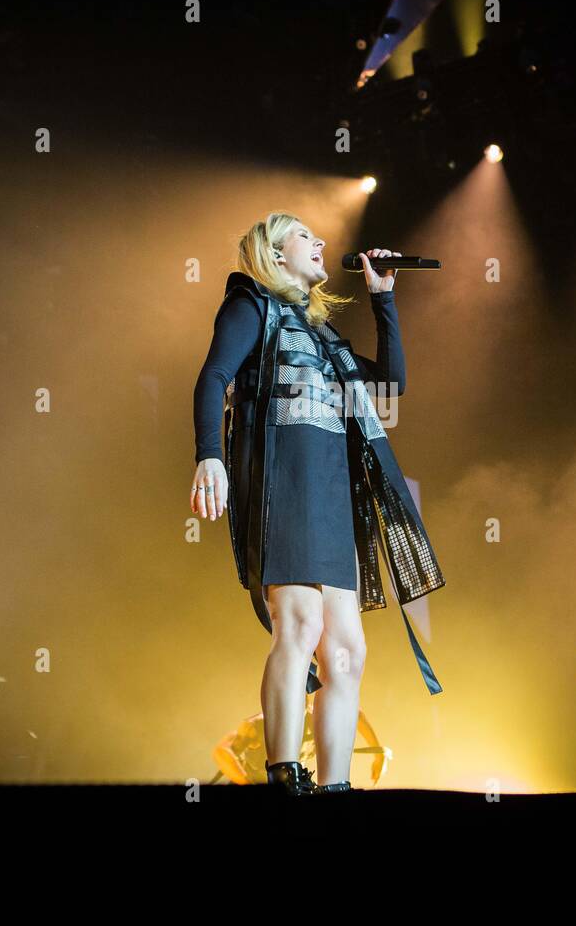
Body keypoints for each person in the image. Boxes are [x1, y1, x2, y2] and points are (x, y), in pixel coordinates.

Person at [191, 211, 446, 796]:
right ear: (277, 254)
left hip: (333, 492)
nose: (322, 242)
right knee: (300, 626)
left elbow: (390, 387)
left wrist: (385, 301)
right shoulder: (250, 305)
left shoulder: (327, 339)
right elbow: (212, 378)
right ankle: (284, 771)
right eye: (307, 236)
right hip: (287, 482)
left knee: (348, 650)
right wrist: (210, 456)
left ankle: (336, 785)